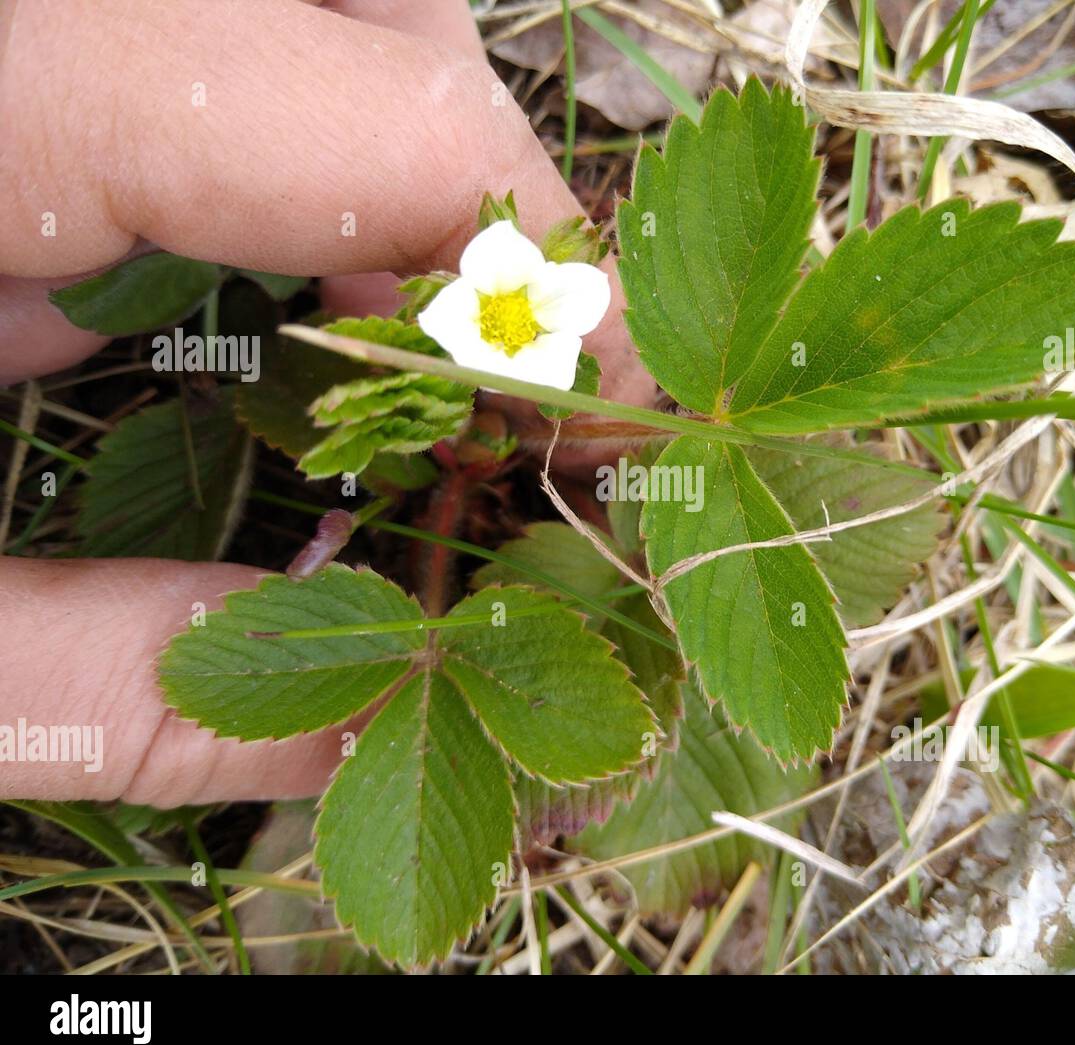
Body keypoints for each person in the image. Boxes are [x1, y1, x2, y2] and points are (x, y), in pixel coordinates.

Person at [0, 0, 656, 805]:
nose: (507, 321)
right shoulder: (466, 317)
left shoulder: (520, 319)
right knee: (297, 388)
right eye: (498, 318)